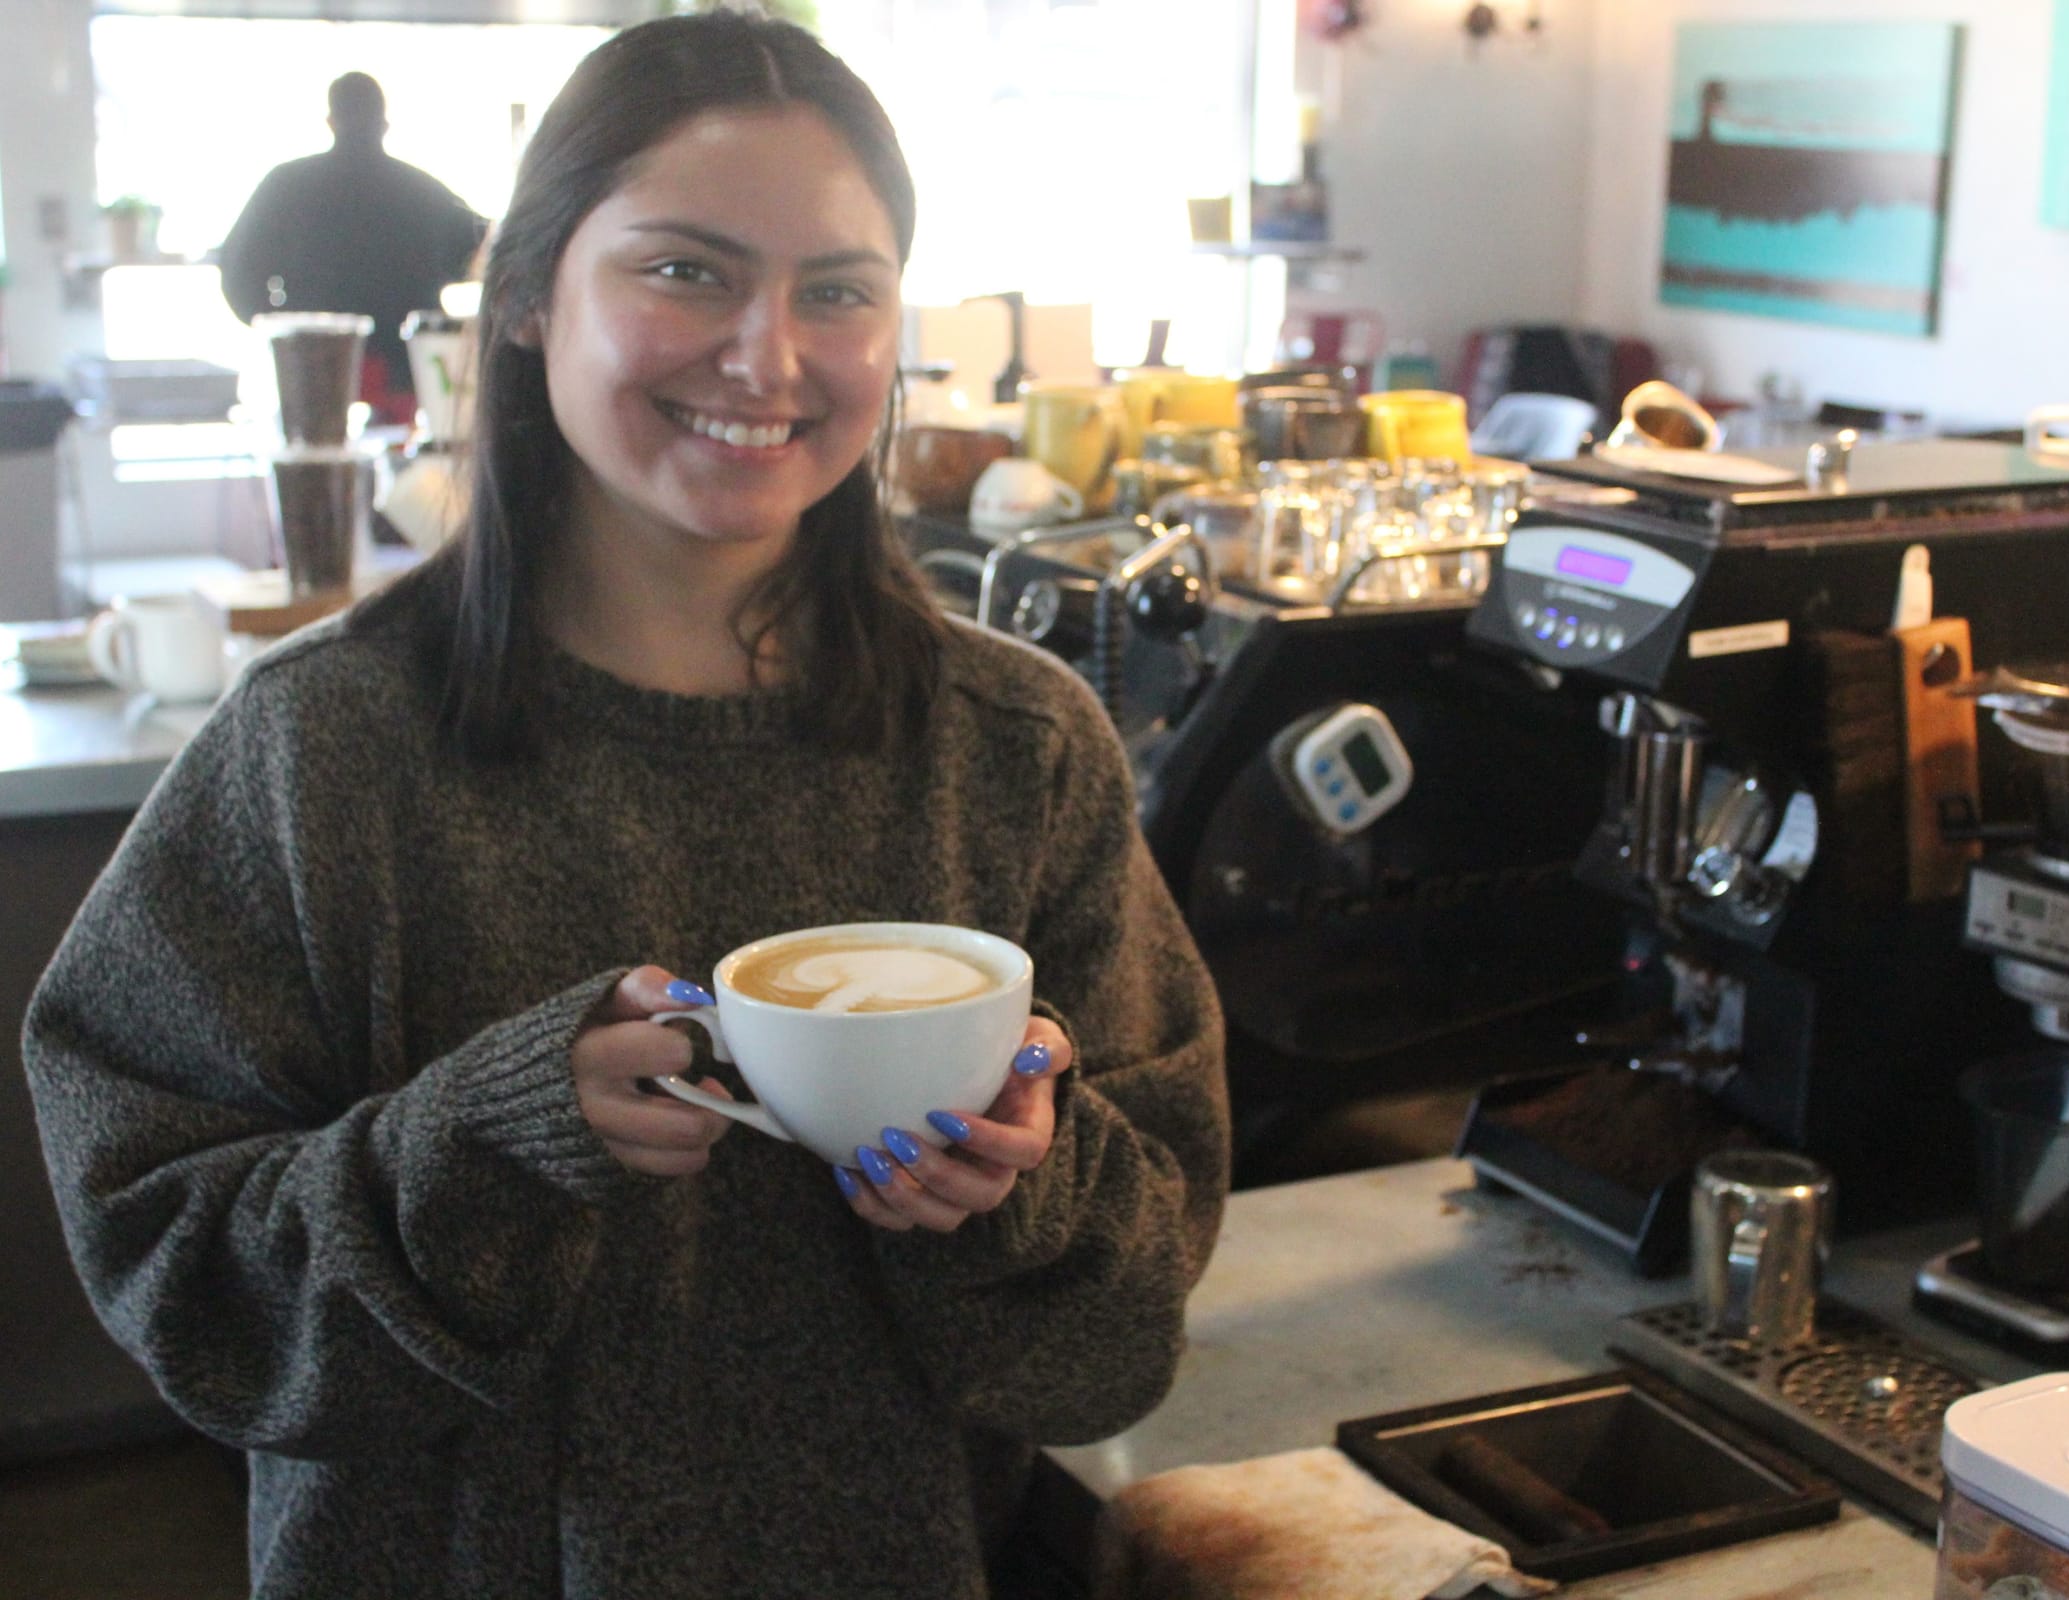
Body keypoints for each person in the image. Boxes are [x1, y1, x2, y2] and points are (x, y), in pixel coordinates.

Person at [28, 14, 1229, 1598]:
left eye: (841, 292)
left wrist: (1025, 1188)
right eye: (685, 270)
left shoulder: (1015, 752)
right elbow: (186, 1291)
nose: (768, 355)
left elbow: (1116, 1352)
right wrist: (488, 1147)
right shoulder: (317, 752)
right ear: (528, 297)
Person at [218, 72, 486, 421]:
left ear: (331, 121)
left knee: (318, 466)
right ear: (385, 124)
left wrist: (285, 330)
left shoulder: (287, 186)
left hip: (314, 367)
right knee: (404, 471)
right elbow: (484, 251)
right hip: (404, 375)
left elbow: (238, 272)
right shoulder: (421, 191)